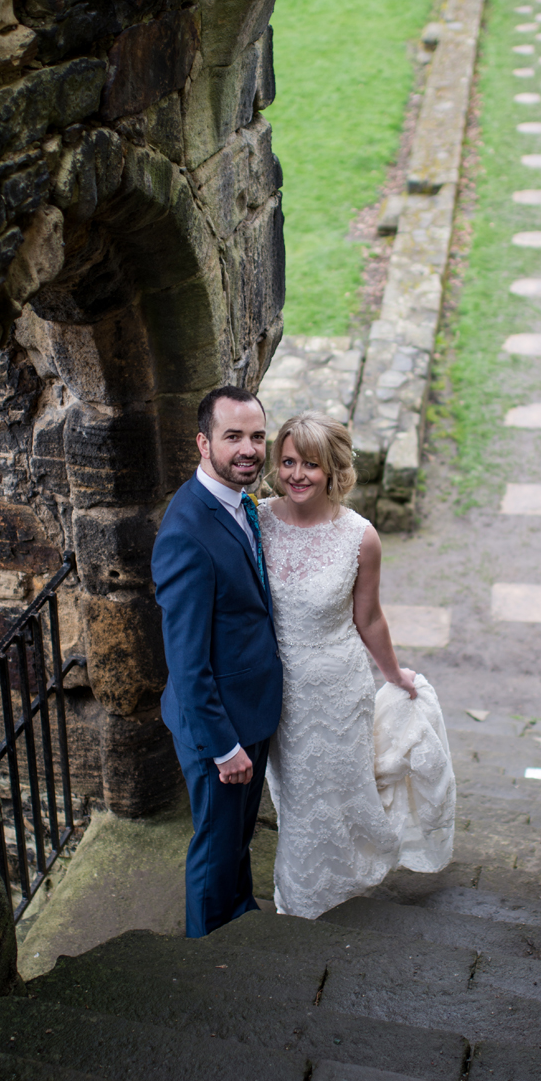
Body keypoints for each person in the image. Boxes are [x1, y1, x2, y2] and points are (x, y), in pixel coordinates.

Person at [259, 411, 455, 920]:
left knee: (339, 791)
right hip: (280, 688)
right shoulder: (255, 520)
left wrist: (395, 676)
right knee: (300, 797)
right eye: (288, 462)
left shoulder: (360, 537)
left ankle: (326, 887)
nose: (297, 475)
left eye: (310, 465)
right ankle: (304, 892)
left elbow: (368, 617)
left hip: (340, 687)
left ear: (333, 471)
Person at [151, 385, 282, 938]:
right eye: (233, 437)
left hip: (249, 711)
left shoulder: (237, 502)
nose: (249, 448)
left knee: (237, 835)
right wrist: (224, 745)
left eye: (257, 436)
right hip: (218, 726)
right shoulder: (186, 531)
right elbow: (185, 661)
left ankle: (240, 913)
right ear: (203, 443)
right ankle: (205, 947)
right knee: (215, 840)